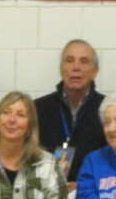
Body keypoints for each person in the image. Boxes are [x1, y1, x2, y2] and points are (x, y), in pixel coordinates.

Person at [35, 39, 106, 188]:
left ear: (95, 71)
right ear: (61, 69)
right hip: (46, 194)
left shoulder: (107, 109)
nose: (76, 67)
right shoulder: (38, 108)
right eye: (69, 60)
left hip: (93, 195)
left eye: (84, 61)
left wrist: (82, 186)